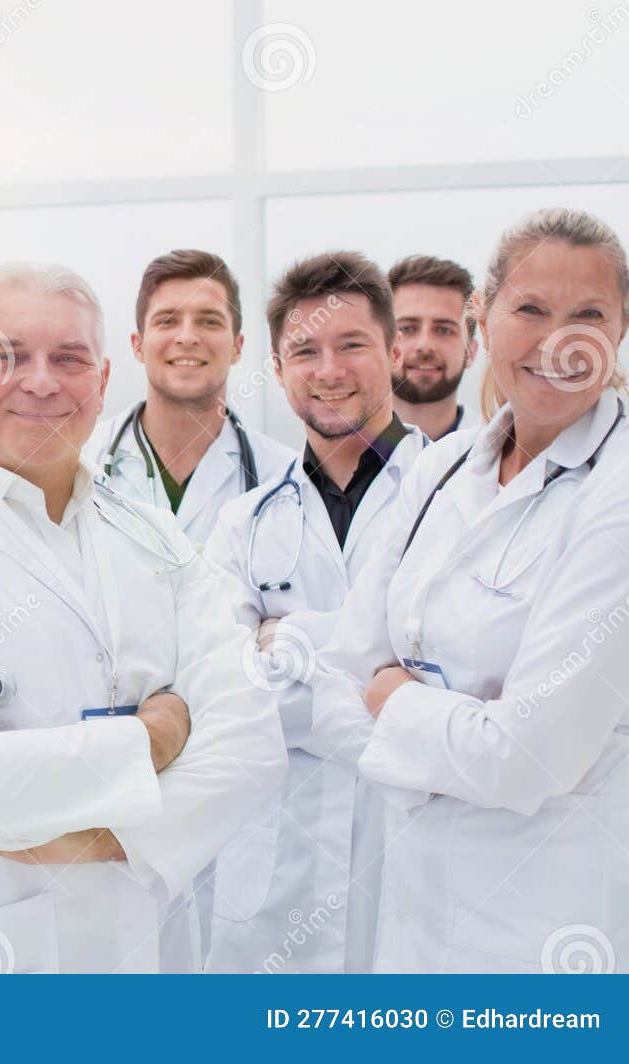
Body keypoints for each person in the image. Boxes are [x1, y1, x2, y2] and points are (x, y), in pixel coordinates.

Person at [0, 263, 286, 973]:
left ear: (104, 382)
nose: (40, 381)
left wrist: (105, 841)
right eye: (2, 357)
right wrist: (156, 737)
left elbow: (252, 740)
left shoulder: (150, 533)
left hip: (150, 950)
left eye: (68, 359)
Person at [309, 208, 629, 972]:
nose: (560, 342)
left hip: (548, 935)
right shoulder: (438, 470)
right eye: (530, 310)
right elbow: (333, 689)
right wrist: (453, 738)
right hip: (412, 918)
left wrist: (392, 700)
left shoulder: (616, 491)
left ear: (620, 330)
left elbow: (528, 760)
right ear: (484, 319)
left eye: (589, 315)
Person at [203, 252, 427, 974]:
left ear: (392, 351)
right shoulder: (244, 523)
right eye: (305, 351)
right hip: (277, 876)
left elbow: (466, 676)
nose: (328, 369)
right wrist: (382, 667)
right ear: (277, 366)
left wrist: (290, 639)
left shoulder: (456, 498)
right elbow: (222, 695)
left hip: (413, 851)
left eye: (352, 345)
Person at [87, 250, 294, 544]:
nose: (187, 337)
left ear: (237, 347)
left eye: (209, 321)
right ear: (138, 346)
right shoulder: (81, 463)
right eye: (167, 321)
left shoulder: (284, 478)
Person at [389, 254, 480, 440]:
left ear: (471, 352)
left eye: (444, 330)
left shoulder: (502, 457)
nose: (425, 345)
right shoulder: (331, 454)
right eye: (407, 328)